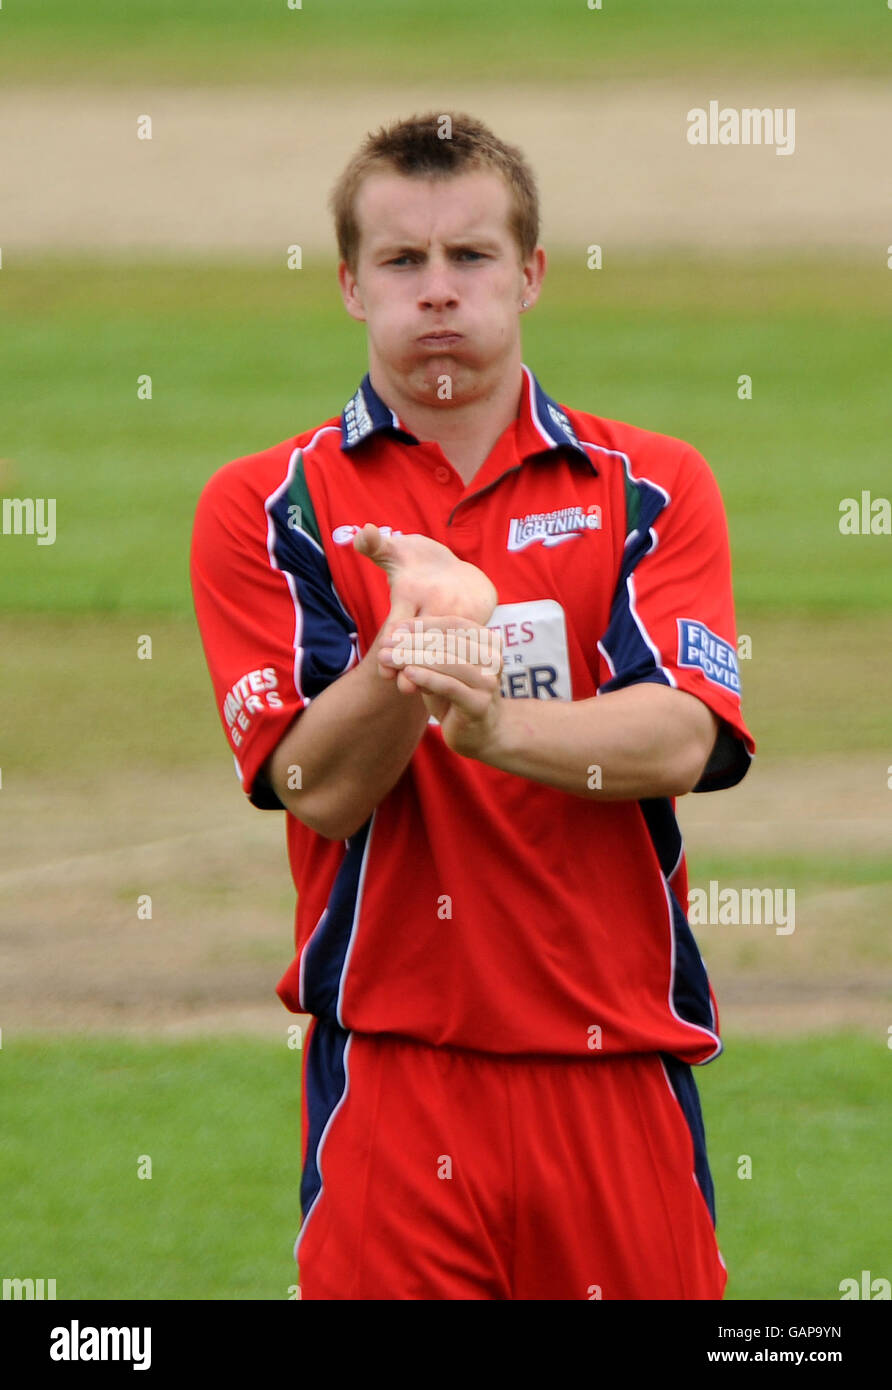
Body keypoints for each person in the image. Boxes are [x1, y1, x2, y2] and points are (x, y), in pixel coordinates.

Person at [190, 110, 755, 1300]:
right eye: (402, 261)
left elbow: (683, 735)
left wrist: (498, 728)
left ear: (531, 274)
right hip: (396, 1079)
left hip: (619, 1071)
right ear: (350, 284)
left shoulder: (648, 485)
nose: (437, 291)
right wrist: (413, 647)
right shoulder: (266, 506)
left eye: (471, 257)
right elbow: (317, 787)